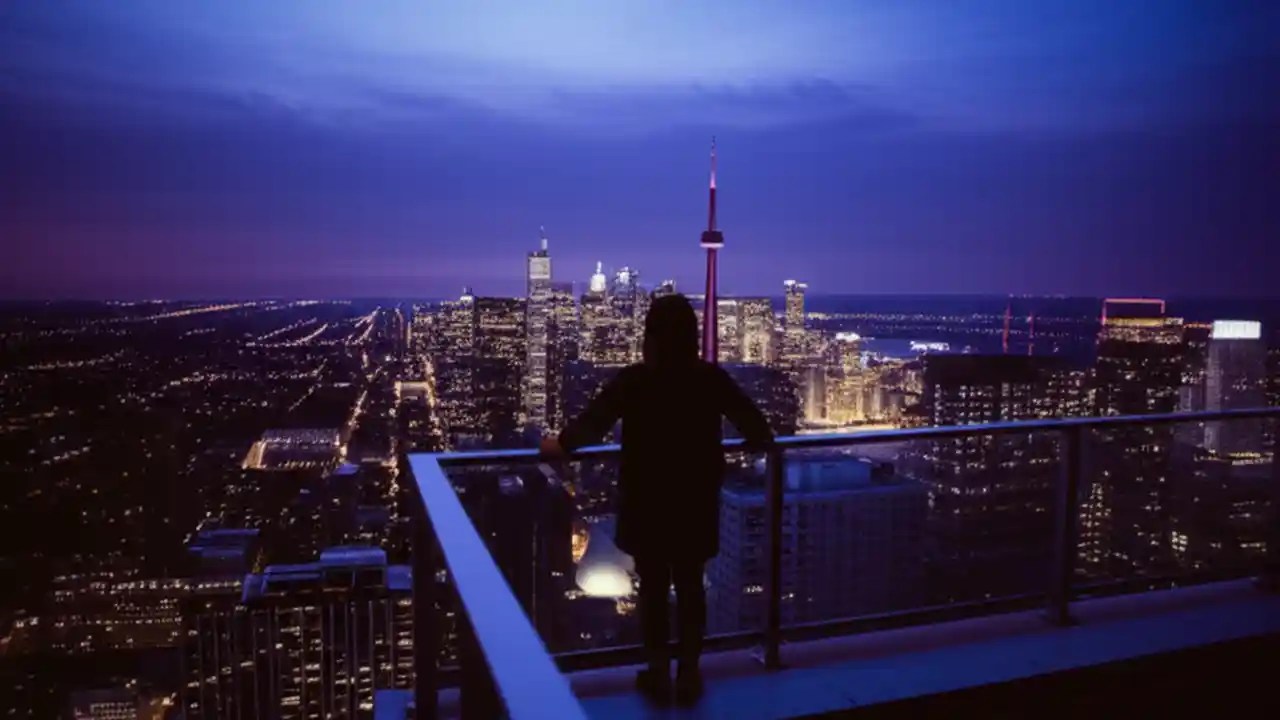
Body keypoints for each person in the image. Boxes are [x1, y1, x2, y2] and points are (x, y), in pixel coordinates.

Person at [541, 293, 774, 704]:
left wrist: (557, 444)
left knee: (651, 589)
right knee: (690, 587)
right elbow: (758, 432)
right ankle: (688, 673)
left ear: (649, 337)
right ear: (692, 337)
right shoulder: (709, 379)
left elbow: (590, 428)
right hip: (694, 501)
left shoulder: (635, 381)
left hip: (646, 502)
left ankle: (657, 672)